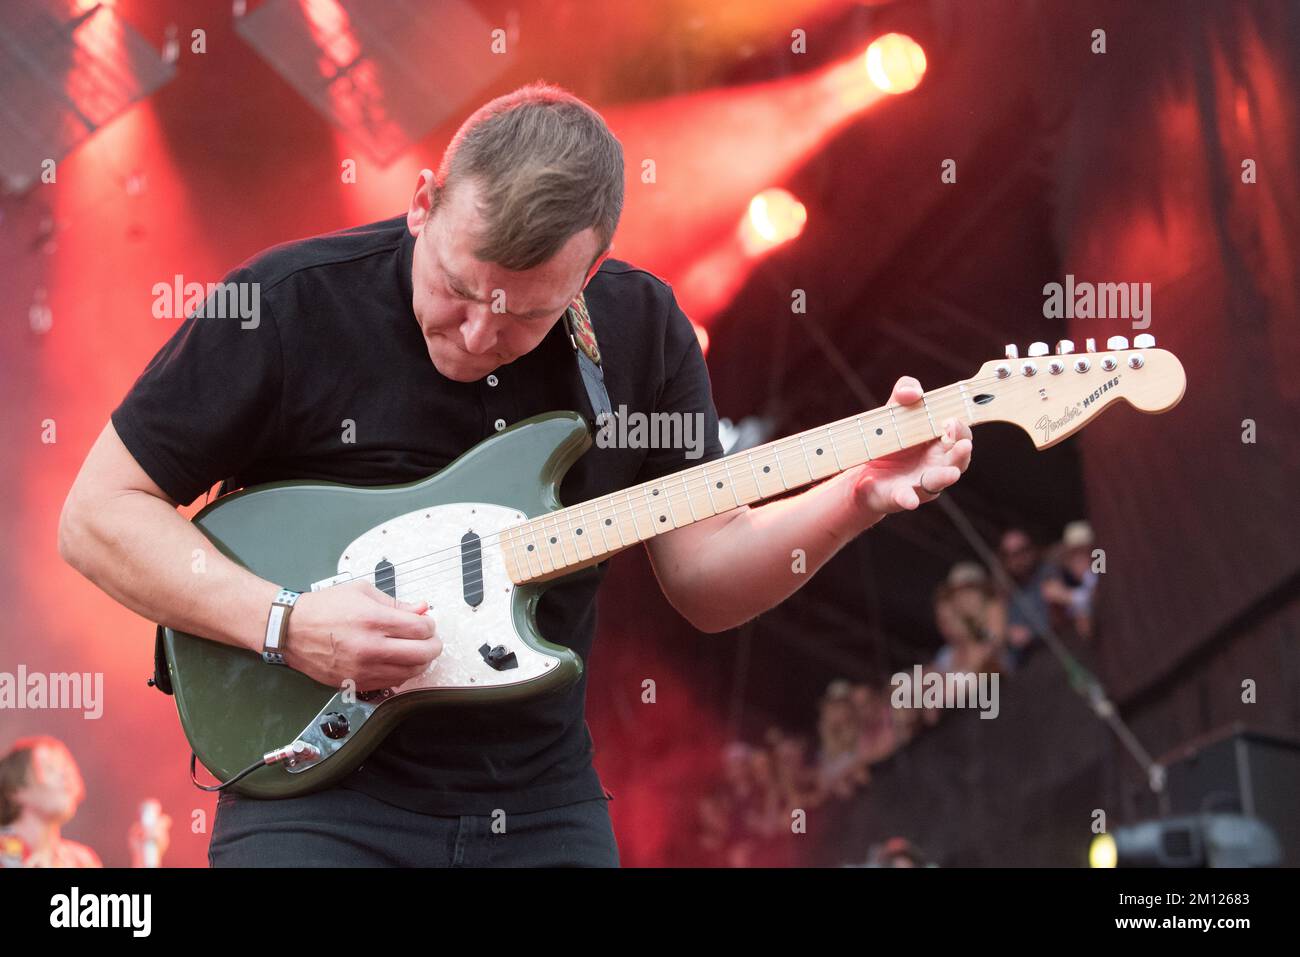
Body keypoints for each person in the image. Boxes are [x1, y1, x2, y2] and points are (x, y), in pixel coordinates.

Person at [58, 83, 973, 867]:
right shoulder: (289, 305)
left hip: (536, 801)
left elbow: (706, 577)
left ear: (588, 274)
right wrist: (286, 624)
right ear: (423, 202)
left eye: (525, 316)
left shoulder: (642, 332)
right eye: (458, 288)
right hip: (315, 796)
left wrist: (853, 496)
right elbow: (97, 516)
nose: (477, 334)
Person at [0, 736, 171, 868]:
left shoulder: (81, 860)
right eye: (50, 768)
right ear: (15, 789)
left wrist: (143, 859)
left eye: (66, 768)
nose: (65, 775)